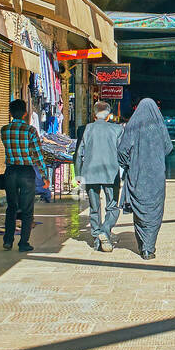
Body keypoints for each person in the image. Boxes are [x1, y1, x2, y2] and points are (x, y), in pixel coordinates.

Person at [117, 97, 173, 259]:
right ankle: (149, 247)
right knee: (154, 211)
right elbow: (168, 148)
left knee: (140, 209)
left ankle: (143, 246)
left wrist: (128, 163)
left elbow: (122, 151)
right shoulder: (159, 126)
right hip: (156, 176)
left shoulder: (133, 126)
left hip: (137, 175)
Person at [0, 99, 50, 253]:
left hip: (11, 171)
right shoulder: (30, 131)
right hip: (26, 172)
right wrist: (44, 175)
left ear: (10, 113)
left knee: (12, 207)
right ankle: (23, 243)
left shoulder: (4, 130)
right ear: (25, 113)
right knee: (27, 209)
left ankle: (8, 241)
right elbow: (37, 155)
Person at [75, 100, 124, 252]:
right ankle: (105, 230)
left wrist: (78, 173)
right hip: (111, 174)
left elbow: (79, 153)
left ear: (94, 116)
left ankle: (97, 239)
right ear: (109, 116)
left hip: (90, 173)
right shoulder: (117, 130)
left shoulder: (87, 129)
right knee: (112, 207)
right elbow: (122, 152)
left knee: (94, 207)